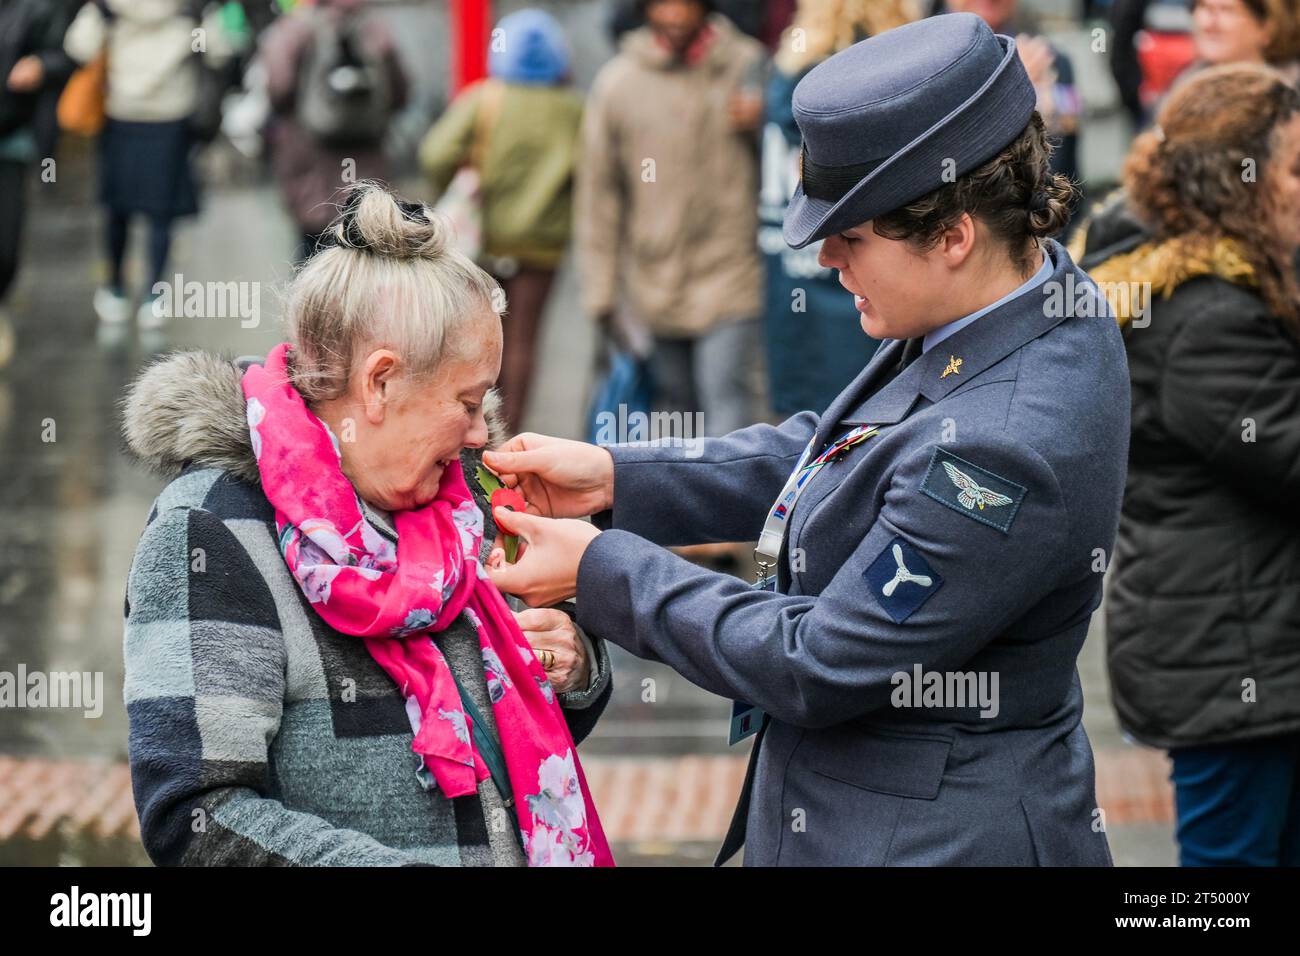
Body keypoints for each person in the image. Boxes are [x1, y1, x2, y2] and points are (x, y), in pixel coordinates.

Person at [483, 13, 1127, 866]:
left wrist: (602, 572)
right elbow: (844, 452)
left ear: (953, 236)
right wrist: (615, 477)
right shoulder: (1014, 294)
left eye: (852, 235)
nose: (825, 258)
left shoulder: (1002, 447)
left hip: (927, 841)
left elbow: (819, 660)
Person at [119, 183, 613, 867]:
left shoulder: (460, 494)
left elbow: (514, 740)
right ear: (381, 382)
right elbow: (196, 817)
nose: (480, 431)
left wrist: (574, 665)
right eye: (468, 401)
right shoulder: (213, 529)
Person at [1077, 65, 1300, 867]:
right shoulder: (1206, 319)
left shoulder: (1215, 290)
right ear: (1238, 187)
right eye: (1294, 170)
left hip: (1243, 643)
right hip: (1233, 657)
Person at [577, 0, 768, 440]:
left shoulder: (746, 64)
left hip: (732, 274)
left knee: (728, 403)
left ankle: (733, 506)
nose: (677, 16)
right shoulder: (618, 84)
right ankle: (688, 505)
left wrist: (765, 122)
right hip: (654, 284)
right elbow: (600, 195)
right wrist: (601, 293)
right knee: (676, 412)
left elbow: (789, 158)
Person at [420, 8, 583, 435]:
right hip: (542, 245)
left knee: (484, 336)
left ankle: (478, 425)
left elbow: (435, 152)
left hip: (486, 239)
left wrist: (464, 178)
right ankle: (512, 433)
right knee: (524, 340)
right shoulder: (572, 109)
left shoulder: (485, 97)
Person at [760, 0, 916, 417]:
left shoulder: (788, 69)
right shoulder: (880, 69)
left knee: (800, 437)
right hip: (856, 285)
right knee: (864, 421)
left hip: (790, 271)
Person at [63, 0, 234, 328]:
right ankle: (154, 295)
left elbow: (77, 48)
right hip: (170, 119)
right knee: (161, 213)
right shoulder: (192, 8)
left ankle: (115, 288)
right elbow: (219, 52)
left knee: (117, 209)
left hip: (120, 117)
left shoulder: (109, 7)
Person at [261, 0, 408, 261]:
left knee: (312, 256)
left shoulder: (296, 28)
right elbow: (401, 93)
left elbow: (278, 87)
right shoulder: (376, 28)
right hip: (366, 165)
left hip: (310, 164)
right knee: (365, 256)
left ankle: (315, 300)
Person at [0, 0, 76, 368]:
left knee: (6, 245)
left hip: (10, 139)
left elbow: (66, 55)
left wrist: (40, 65)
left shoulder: (33, 8)